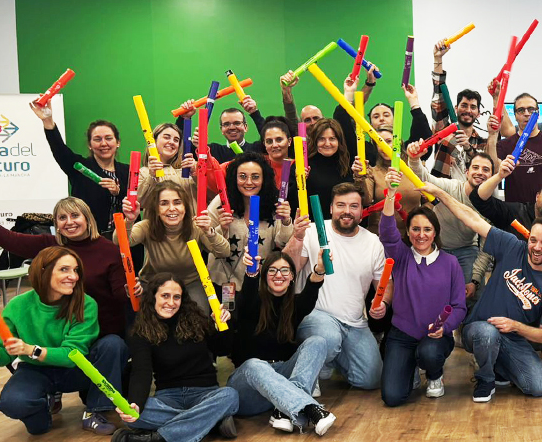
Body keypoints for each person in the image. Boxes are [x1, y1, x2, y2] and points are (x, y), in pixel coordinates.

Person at [425, 181, 542, 403]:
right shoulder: (511, 245)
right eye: (533, 240)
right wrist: (440, 193)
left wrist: (515, 326)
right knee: (488, 335)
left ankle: (495, 363)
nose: (536, 247)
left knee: (538, 386)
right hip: (479, 328)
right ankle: (485, 378)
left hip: (513, 339)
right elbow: (470, 218)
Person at [0, 247, 125, 436]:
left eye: (75, 270)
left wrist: (30, 349)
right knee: (16, 407)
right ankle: (45, 403)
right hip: (35, 370)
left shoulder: (86, 304)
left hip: (75, 370)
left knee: (113, 344)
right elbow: (2, 357)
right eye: (64, 269)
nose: (73, 276)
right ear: (43, 271)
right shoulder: (17, 306)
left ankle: (95, 411)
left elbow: (72, 355)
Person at [0, 196, 128, 338]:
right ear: (57, 225)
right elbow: (7, 239)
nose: (69, 222)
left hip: (100, 330)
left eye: (75, 215)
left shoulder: (109, 250)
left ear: (88, 219)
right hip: (57, 330)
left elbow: (121, 295)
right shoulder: (49, 245)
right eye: (62, 218)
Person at [109, 274, 240, 442]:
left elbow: (222, 349)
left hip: (205, 394)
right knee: (129, 415)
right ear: (153, 296)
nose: (171, 302)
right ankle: (212, 422)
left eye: (176, 297)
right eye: (165, 296)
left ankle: (155, 438)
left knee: (230, 396)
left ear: (182, 299)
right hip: (168, 398)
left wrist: (223, 325)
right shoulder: (140, 332)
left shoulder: (197, 320)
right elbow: (141, 372)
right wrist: (135, 404)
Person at [225, 244, 336, 435]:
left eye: (285, 270)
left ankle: (283, 410)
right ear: (264, 275)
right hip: (248, 386)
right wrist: (251, 273)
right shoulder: (251, 302)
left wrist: (318, 270)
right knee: (254, 364)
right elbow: (249, 293)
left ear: (292, 276)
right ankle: (309, 408)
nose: (279, 275)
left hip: (281, 380)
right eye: (272, 270)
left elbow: (311, 291)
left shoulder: (296, 305)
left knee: (317, 341)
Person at [377, 172, 467, 406]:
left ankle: (434, 375)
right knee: (392, 397)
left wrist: (444, 327)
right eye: (415, 229)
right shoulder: (401, 256)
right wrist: (391, 195)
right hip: (402, 335)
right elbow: (387, 233)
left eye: (427, 229)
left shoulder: (450, 263)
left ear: (435, 232)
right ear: (407, 232)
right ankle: (410, 371)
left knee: (428, 354)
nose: (421, 235)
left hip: (435, 337)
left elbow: (459, 307)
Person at [288, 183, 387, 390]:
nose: (347, 211)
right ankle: (316, 363)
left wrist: (383, 302)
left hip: (354, 322)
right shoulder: (313, 231)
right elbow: (291, 269)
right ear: (331, 208)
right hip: (315, 315)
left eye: (353, 206)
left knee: (372, 378)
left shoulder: (373, 242)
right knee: (329, 338)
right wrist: (297, 237)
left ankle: (329, 359)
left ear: (361, 211)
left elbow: (385, 283)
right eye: (340, 205)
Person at [122, 182, 228, 306]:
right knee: (150, 320)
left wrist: (209, 231)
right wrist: (129, 221)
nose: (172, 208)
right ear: (156, 209)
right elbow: (121, 241)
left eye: (177, 202)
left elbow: (224, 252)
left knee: (200, 319)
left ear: (185, 207)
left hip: (190, 284)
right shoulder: (146, 226)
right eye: (164, 203)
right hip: (153, 283)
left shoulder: (197, 227)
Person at [31, 102, 128, 234]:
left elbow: (139, 203)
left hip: (127, 239)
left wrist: (118, 192)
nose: (103, 143)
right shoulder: (80, 168)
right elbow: (59, 149)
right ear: (90, 144)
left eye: (109, 138)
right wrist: (48, 121)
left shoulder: (129, 171)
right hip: (90, 238)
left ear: (118, 143)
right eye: (97, 139)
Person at [205, 153, 293, 293]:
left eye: (255, 177)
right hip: (222, 282)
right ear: (235, 178)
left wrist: (287, 221)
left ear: (264, 179)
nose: (249, 182)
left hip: (259, 285)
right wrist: (221, 228)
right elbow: (207, 243)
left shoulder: (275, 203)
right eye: (243, 176)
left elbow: (282, 243)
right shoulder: (221, 201)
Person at [405, 146, 494, 285]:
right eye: (475, 167)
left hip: (467, 250)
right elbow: (424, 177)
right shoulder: (451, 186)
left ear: (492, 176)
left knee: (475, 296)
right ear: (467, 172)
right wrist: (414, 159)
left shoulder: (491, 206)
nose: (480, 172)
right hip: (438, 248)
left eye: (486, 169)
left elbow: (486, 248)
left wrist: (475, 281)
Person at [493, 93, 542, 204]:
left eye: (531, 109)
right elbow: (493, 171)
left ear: (538, 113)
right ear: (515, 115)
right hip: (515, 213)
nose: (527, 114)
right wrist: (491, 135)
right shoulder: (505, 145)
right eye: (521, 110)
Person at [305, 117, 362, 209]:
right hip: (313, 222)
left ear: (339, 141)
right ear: (315, 141)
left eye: (332, 138)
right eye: (321, 139)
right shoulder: (304, 165)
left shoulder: (349, 164)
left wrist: (360, 178)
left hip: (345, 220)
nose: (327, 144)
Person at [137, 122, 195, 193]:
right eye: (166, 137)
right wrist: (151, 178)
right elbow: (138, 201)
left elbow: (208, 196)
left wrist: (196, 174)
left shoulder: (186, 174)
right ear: (154, 141)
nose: (171, 142)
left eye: (176, 140)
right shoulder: (143, 173)